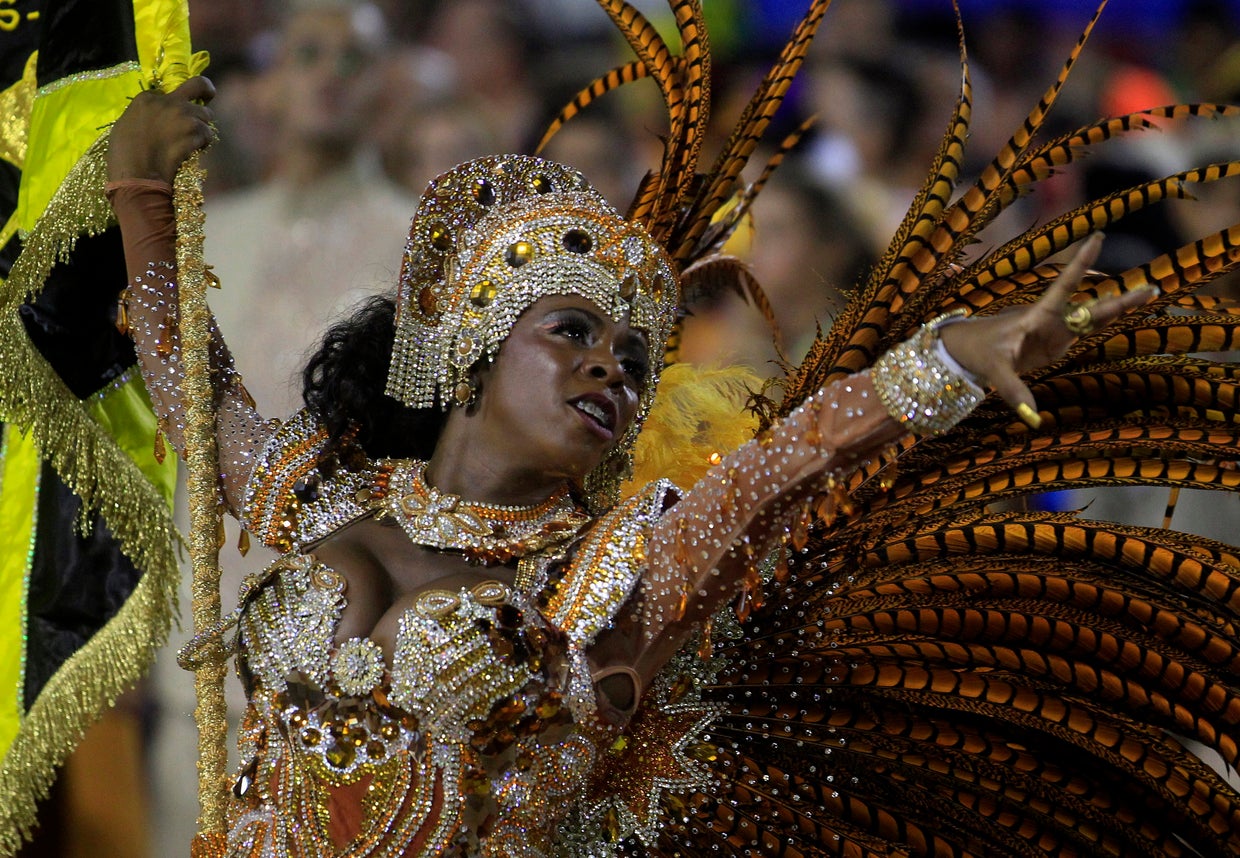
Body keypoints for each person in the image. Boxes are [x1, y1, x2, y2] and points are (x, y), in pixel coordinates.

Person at [108, 2, 1240, 855]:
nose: (613, 364)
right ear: (470, 345)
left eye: (637, 359)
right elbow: (194, 393)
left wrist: (947, 359)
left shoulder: (609, 574)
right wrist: (143, 205)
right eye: (572, 332)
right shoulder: (325, 493)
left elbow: (783, 465)